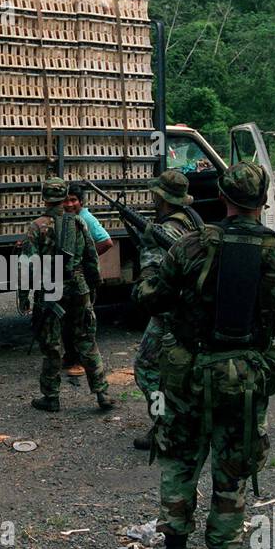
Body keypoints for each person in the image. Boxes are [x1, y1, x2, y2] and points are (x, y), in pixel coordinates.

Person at [134, 163, 275, 549]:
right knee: (233, 468)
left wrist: (150, 271)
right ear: (263, 201)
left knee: (179, 460)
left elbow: (151, 300)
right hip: (244, 379)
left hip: (189, 372)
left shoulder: (190, 247)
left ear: (223, 199)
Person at [18, 176, 114, 411]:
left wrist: (23, 297)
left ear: (44, 198)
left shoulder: (37, 226)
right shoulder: (79, 222)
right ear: (64, 197)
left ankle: (51, 397)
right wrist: (93, 285)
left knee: (51, 346)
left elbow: (28, 266)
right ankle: (102, 394)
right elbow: (92, 257)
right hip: (78, 288)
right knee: (86, 341)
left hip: (50, 291)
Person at [131, 170, 203, 450]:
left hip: (171, 312)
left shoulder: (169, 230)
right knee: (179, 369)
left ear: (160, 197)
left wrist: (147, 250)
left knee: (146, 368)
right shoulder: (191, 220)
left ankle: (165, 424)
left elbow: (160, 277)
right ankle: (183, 420)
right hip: (191, 308)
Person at [61, 184, 112, 375]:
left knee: (82, 324)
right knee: (68, 320)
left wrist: (82, 260)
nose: (69, 204)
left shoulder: (86, 219)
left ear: (81, 201)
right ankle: (70, 357)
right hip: (70, 281)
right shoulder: (66, 219)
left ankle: (82, 363)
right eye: (66, 200)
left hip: (82, 280)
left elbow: (106, 242)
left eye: (73, 200)